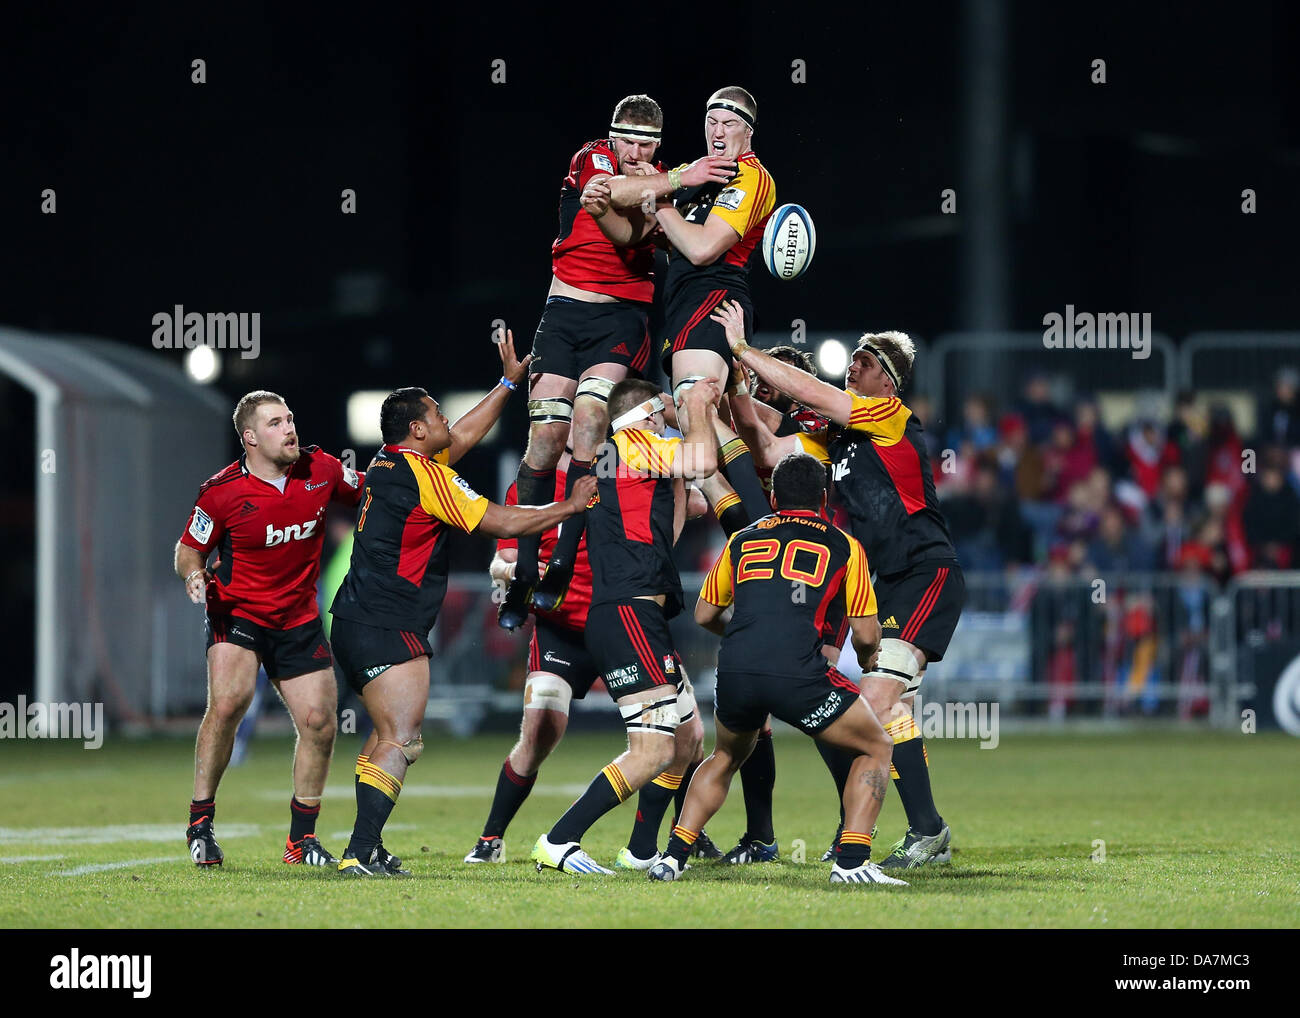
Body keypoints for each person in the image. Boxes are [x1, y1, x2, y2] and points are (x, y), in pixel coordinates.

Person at [328, 348, 598, 877]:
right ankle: (360, 852)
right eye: (436, 414)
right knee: (403, 739)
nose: (446, 419)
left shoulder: (391, 464)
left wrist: (507, 383)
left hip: (356, 621)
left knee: (385, 735)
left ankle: (368, 846)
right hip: (389, 623)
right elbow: (499, 522)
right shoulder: (428, 479)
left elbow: (464, 435)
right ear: (417, 430)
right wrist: (569, 507)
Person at [719, 301, 965, 869]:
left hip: (927, 571)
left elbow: (811, 394)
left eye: (863, 359)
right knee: (889, 710)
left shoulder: (888, 414)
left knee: (866, 711)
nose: (851, 366)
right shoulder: (837, 436)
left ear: (889, 380)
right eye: (851, 359)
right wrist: (729, 388)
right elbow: (772, 448)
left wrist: (742, 350)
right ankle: (926, 830)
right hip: (894, 580)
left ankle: (854, 840)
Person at [499, 95, 736, 626]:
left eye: (646, 143)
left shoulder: (662, 183)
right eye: (626, 140)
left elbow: (639, 231)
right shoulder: (594, 158)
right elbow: (607, 196)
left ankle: (562, 562)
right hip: (562, 314)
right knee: (544, 440)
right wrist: (681, 175)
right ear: (611, 136)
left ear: (657, 145)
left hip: (622, 318)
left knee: (588, 420)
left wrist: (676, 186)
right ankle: (525, 572)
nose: (634, 151)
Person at [648, 452, 905, 886]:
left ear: (772, 494)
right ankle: (852, 861)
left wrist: (745, 636)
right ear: (824, 497)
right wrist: (866, 661)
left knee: (726, 756)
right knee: (876, 746)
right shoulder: (844, 544)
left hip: (736, 670)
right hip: (797, 672)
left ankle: (672, 857)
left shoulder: (743, 538)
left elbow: (705, 613)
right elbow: (865, 634)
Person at [466, 452, 720, 865]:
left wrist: (674, 479)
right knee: (539, 733)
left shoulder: (622, 474)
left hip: (623, 622)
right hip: (564, 630)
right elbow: (502, 561)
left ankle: (659, 842)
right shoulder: (531, 489)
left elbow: (695, 503)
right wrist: (528, 574)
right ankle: (490, 839)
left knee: (685, 736)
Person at [531, 377, 721, 875]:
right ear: (645, 418)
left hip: (638, 612)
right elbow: (702, 459)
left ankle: (640, 849)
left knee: (688, 739)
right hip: (628, 614)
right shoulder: (634, 444)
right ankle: (558, 839)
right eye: (661, 414)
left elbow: (673, 523)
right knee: (654, 748)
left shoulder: (617, 461)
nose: (667, 422)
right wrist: (697, 406)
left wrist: (680, 484)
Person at [175, 391, 365, 867]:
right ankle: (201, 824)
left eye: (291, 419)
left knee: (321, 722)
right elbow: (188, 549)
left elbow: (372, 490)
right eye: (277, 423)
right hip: (237, 612)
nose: (290, 429)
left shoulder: (319, 470)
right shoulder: (220, 492)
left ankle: (300, 842)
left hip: (297, 617)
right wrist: (194, 573)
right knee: (230, 702)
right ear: (251, 437)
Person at [584, 86, 776, 521]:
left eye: (728, 124)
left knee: (693, 403)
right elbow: (628, 210)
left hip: (716, 294)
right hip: (680, 305)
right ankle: (751, 527)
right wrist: (609, 200)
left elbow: (703, 249)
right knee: (707, 422)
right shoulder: (697, 173)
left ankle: (764, 527)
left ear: (748, 132)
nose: (718, 132)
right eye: (711, 122)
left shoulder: (751, 176)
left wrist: (663, 197)